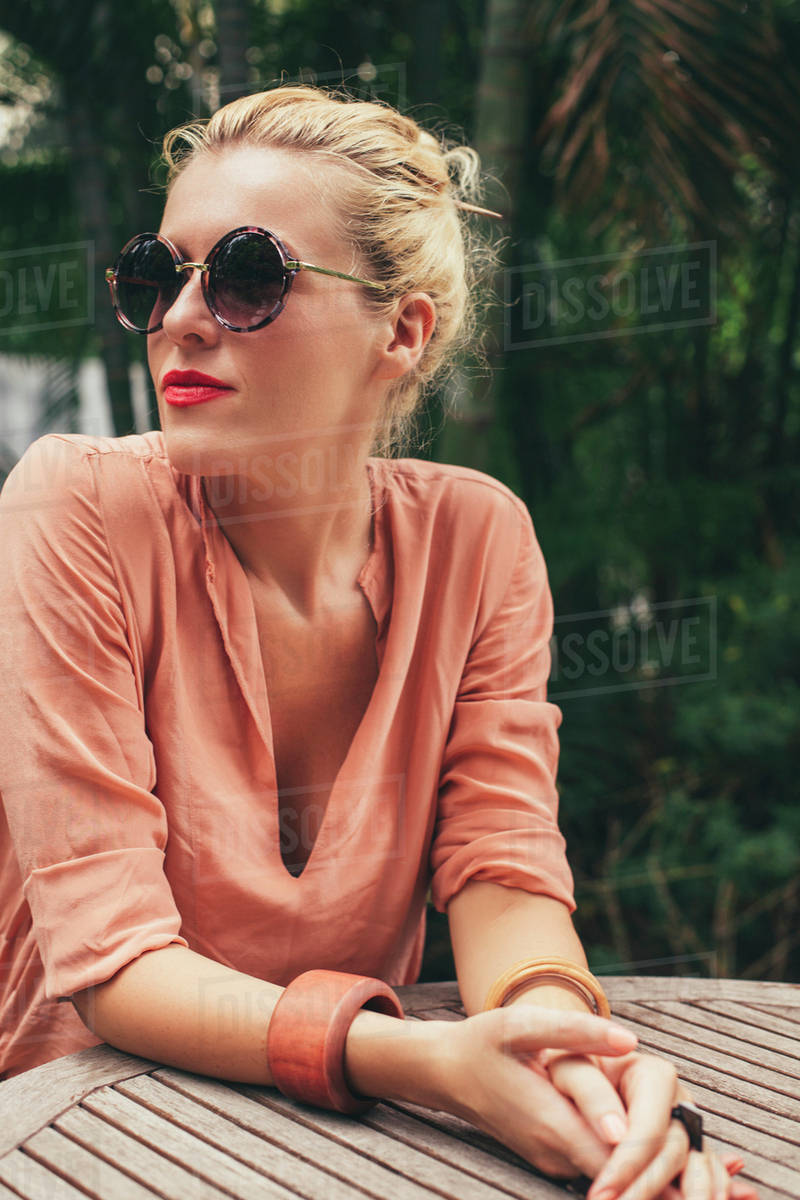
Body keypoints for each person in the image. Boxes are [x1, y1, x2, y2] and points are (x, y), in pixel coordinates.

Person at [0, 84, 755, 1200]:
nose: (182, 319)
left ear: (401, 330)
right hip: (78, 1138)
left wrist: (565, 1055)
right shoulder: (73, 508)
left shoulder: (474, 538)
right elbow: (112, 965)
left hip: (338, 1149)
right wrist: (433, 1065)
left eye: (248, 277)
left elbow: (500, 866)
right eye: (157, 278)